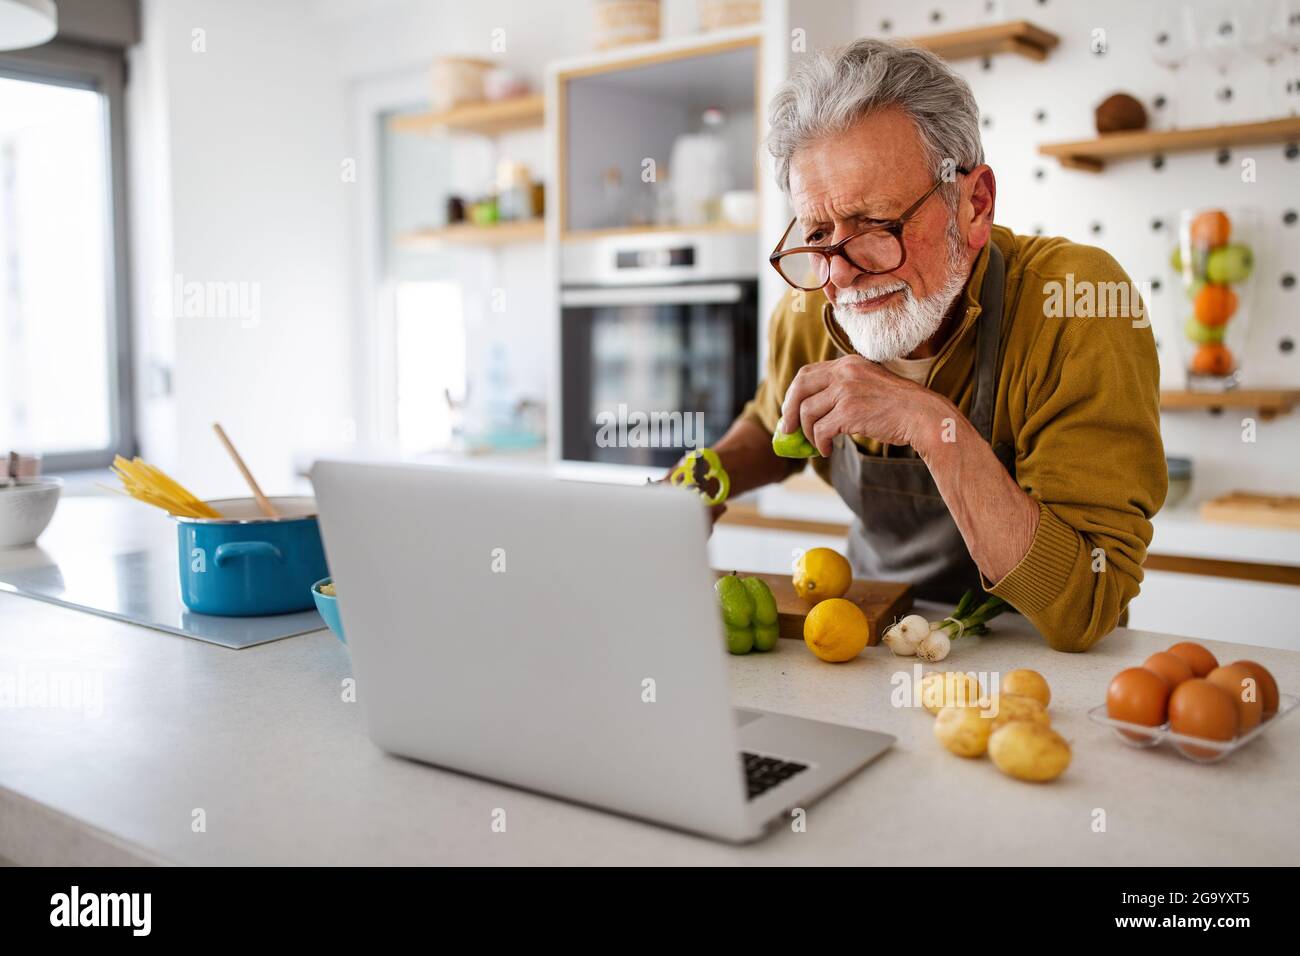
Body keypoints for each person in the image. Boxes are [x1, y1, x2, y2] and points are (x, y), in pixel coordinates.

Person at [704, 39, 1166, 652]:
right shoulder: (809, 305)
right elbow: (777, 426)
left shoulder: (1076, 302)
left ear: (974, 205)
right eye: (818, 233)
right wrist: (703, 482)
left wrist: (929, 423)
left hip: (1036, 657)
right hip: (867, 638)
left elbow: (1085, 603)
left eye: (875, 226)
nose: (839, 273)